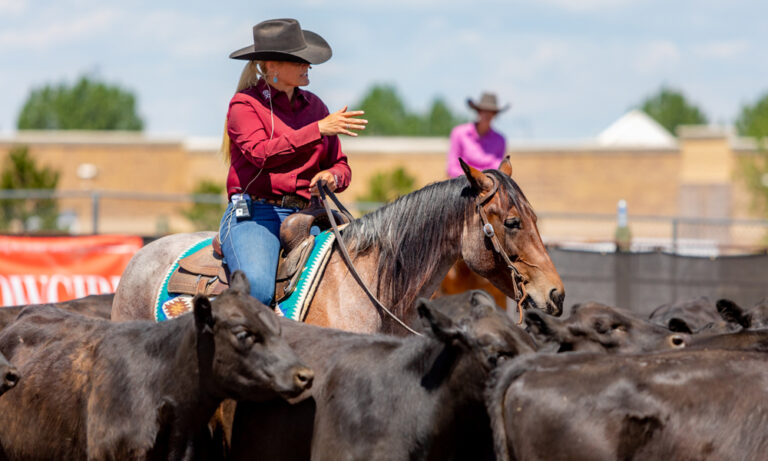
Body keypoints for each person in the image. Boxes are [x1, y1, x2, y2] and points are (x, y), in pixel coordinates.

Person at [219, 18, 367, 305]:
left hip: (308, 214)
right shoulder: (244, 105)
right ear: (271, 66)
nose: (307, 66)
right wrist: (317, 130)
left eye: (306, 61)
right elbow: (260, 154)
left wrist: (332, 177)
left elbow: (340, 165)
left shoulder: (316, 107)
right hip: (254, 213)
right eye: (298, 60)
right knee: (258, 293)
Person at [446, 92, 509, 177]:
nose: (487, 115)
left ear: (495, 114)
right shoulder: (459, 133)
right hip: (462, 184)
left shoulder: (500, 140)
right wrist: (474, 178)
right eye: (484, 111)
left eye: (491, 112)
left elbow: (498, 170)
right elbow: (452, 168)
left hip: (488, 186)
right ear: (478, 111)